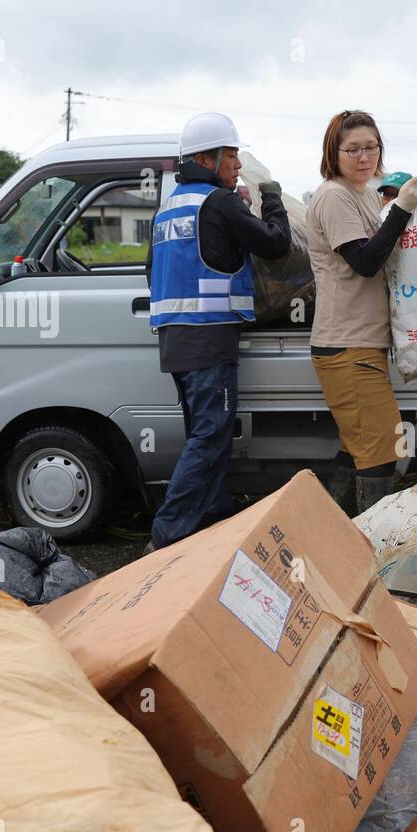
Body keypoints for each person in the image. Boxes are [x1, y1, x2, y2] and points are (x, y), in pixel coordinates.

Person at [144, 112, 291, 552]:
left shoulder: (169, 206)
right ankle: (166, 536)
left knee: (205, 436)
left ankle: (213, 518)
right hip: (209, 338)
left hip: (175, 339)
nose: (238, 165)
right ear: (207, 159)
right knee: (211, 437)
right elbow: (276, 244)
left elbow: (154, 272)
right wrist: (273, 200)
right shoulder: (219, 203)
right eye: (232, 156)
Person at [306, 110, 417, 515]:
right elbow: (365, 261)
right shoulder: (335, 195)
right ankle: (371, 547)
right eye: (352, 149)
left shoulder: (363, 193)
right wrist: (402, 210)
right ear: (333, 153)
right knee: (382, 453)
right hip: (347, 346)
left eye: (371, 147)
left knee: (358, 447)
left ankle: (326, 534)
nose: (363, 157)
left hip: (361, 345)